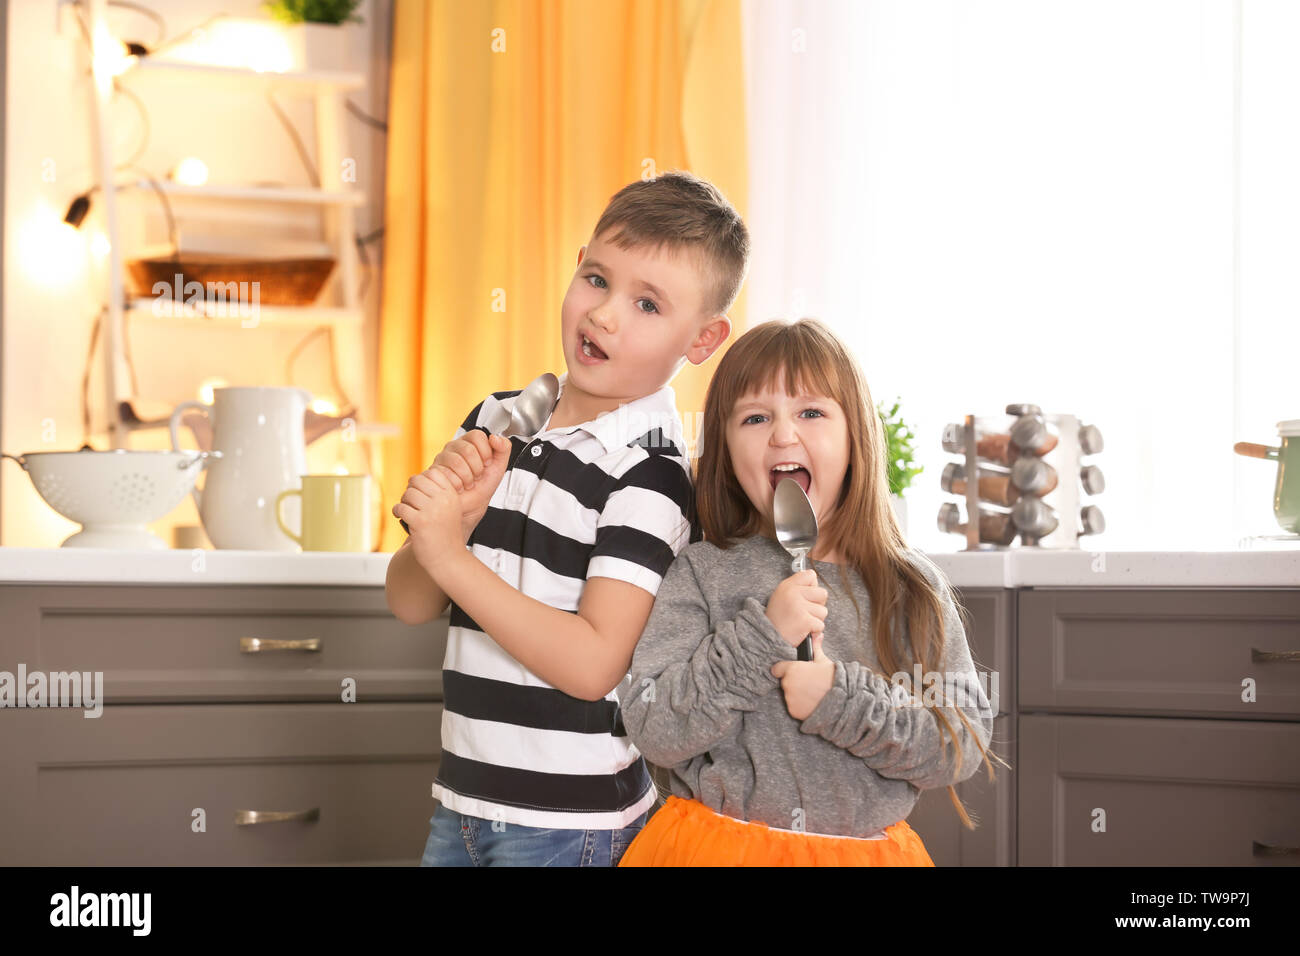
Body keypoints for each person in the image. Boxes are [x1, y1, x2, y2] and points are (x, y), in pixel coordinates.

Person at [386, 171, 750, 866]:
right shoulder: (498, 417)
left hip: (570, 824)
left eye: (648, 304)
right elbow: (409, 601)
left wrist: (451, 557)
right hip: (462, 802)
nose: (604, 314)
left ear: (702, 340)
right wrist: (447, 521)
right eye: (596, 279)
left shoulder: (651, 475)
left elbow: (591, 664)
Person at [618, 318, 1004, 866]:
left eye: (811, 412)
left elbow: (959, 741)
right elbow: (654, 727)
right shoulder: (704, 572)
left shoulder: (912, 588)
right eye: (755, 417)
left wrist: (838, 700)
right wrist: (762, 638)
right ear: (725, 448)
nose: (781, 434)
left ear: (856, 436)